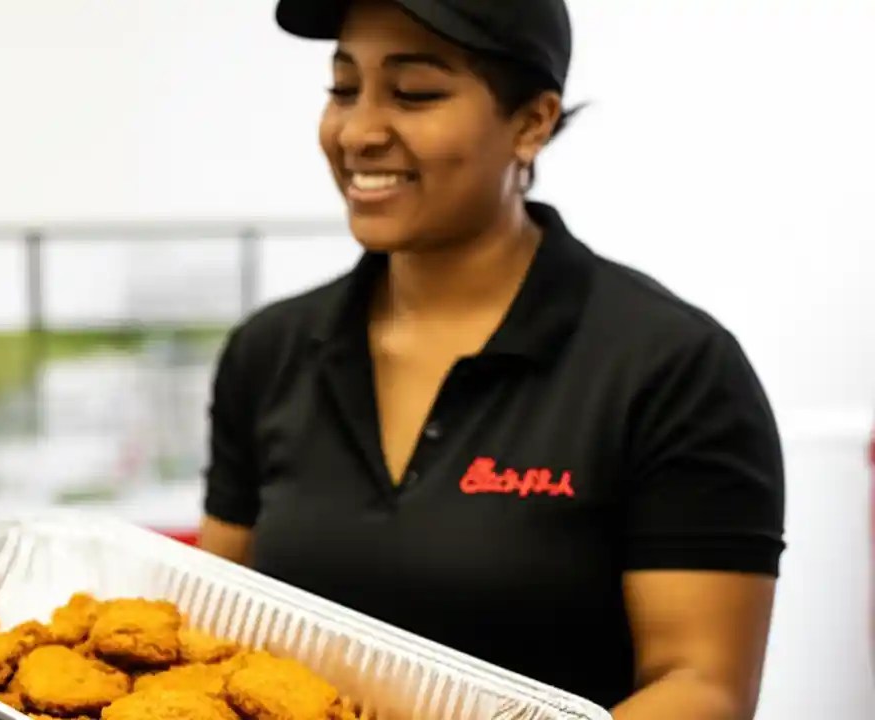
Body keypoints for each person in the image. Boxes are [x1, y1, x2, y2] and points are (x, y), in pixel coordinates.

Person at [199, 0, 784, 718]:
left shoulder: (671, 368)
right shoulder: (270, 351)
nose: (358, 130)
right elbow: (208, 627)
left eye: (414, 93)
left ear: (532, 123)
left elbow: (703, 686)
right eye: (343, 88)